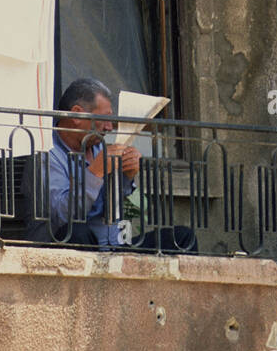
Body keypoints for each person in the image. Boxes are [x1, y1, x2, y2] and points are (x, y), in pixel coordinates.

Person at [26, 77, 196, 252]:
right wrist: (94, 174)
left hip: (114, 245)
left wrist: (127, 176)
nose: (109, 127)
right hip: (63, 246)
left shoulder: (100, 148)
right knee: (76, 232)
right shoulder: (45, 154)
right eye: (104, 119)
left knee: (183, 237)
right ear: (77, 114)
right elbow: (62, 216)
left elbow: (124, 208)